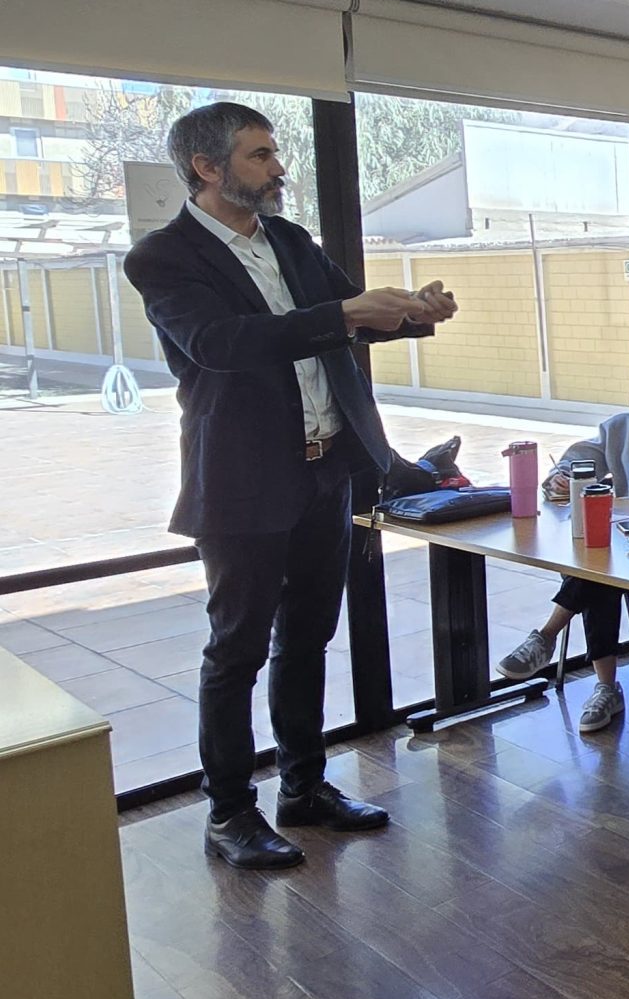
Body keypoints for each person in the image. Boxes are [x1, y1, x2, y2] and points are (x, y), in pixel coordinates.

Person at [124, 101, 457, 869]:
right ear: (207, 169)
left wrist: (414, 313)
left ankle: (303, 787)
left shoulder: (292, 240)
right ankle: (229, 813)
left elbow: (351, 318)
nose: (278, 170)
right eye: (258, 156)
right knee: (236, 650)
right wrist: (344, 313)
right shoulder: (163, 258)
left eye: (274, 154)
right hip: (242, 481)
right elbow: (220, 343)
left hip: (326, 469)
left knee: (307, 637)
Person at [496, 357, 629, 733]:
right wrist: (562, 478)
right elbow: (581, 458)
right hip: (623, 536)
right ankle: (603, 685)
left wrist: (612, 504)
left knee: (600, 567)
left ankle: (549, 639)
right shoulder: (620, 427)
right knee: (601, 572)